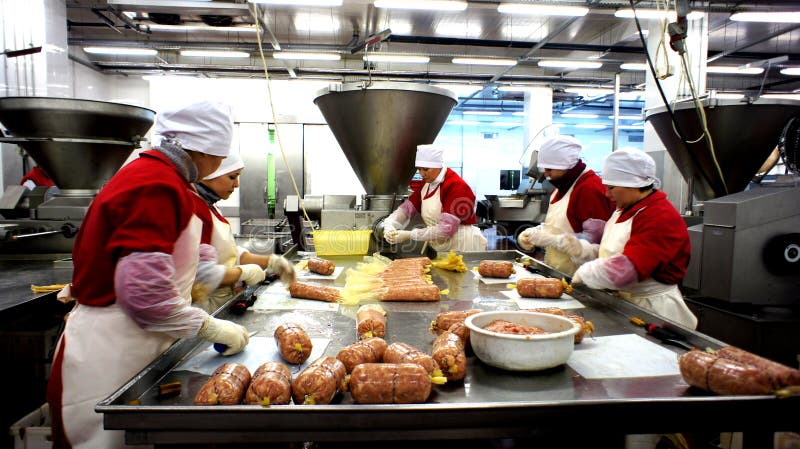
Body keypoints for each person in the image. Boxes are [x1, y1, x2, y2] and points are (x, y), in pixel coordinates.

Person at [47, 101, 252, 449]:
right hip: (112, 354)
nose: (222, 163)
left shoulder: (169, 181)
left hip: (141, 344)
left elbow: (178, 252)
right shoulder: (154, 185)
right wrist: (208, 327)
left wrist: (205, 266)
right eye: (222, 156)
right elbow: (145, 296)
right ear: (207, 150)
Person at [571, 147, 698, 329]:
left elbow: (628, 270)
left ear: (634, 184)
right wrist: (585, 250)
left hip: (654, 311)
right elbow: (616, 251)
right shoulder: (625, 209)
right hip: (627, 304)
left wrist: (587, 272)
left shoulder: (659, 216)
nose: (606, 194)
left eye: (611, 187)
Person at [193, 151, 296, 312]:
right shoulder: (195, 209)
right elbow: (200, 274)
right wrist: (243, 273)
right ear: (210, 174)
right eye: (232, 177)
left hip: (221, 303)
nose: (237, 185)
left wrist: (272, 261)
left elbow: (228, 253)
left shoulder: (212, 207)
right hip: (203, 308)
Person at [517, 135, 614, 276]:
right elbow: (561, 225)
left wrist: (552, 240)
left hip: (580, 277)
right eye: (544, 169)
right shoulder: (562, 187)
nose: (546, 174)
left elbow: (595, 243)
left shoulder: (589, 189)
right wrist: (538, 231)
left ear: (566, 166)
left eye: (550, 169)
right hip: (559, 272)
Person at [382, 144, 487, 252]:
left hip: (462, 245)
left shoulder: (457, 186)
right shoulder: (427, 184)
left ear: (438, 166)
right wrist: (390, 223)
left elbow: (446, 230)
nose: (422, 174)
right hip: (441, 244)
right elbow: (407, 209)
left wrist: (410, 235)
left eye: (426, 169)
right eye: (419, 169)